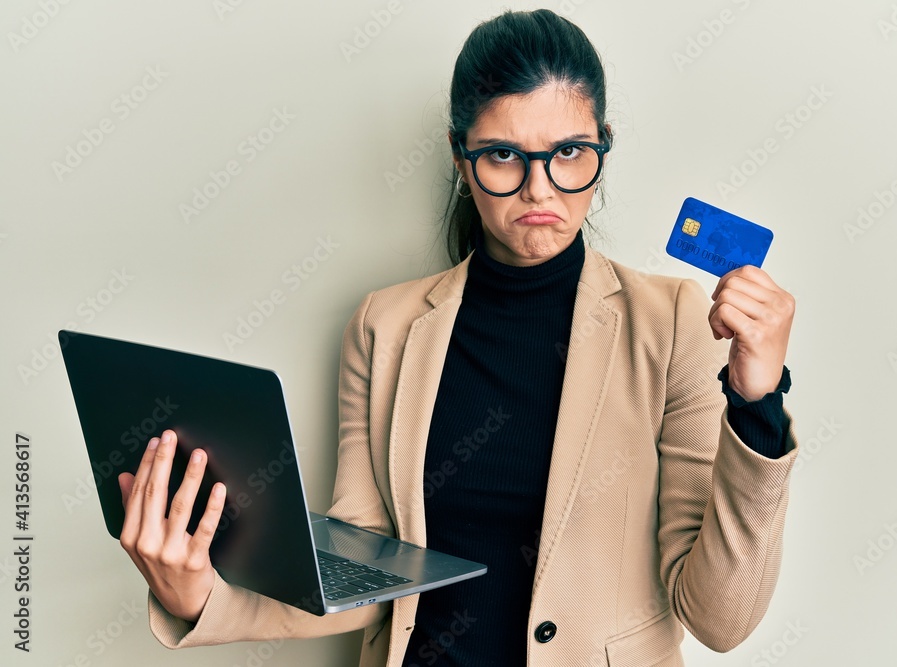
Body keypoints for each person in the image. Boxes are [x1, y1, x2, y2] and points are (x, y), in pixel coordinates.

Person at [117, 9, 799, 667]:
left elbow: (719, 617)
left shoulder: (674, 321)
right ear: (460, 156)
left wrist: (757, 405)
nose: (540, 189)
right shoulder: (384, 328)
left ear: (603, 144)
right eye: (503, 154)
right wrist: (202, 599)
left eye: (569, 152)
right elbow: (366, 572)